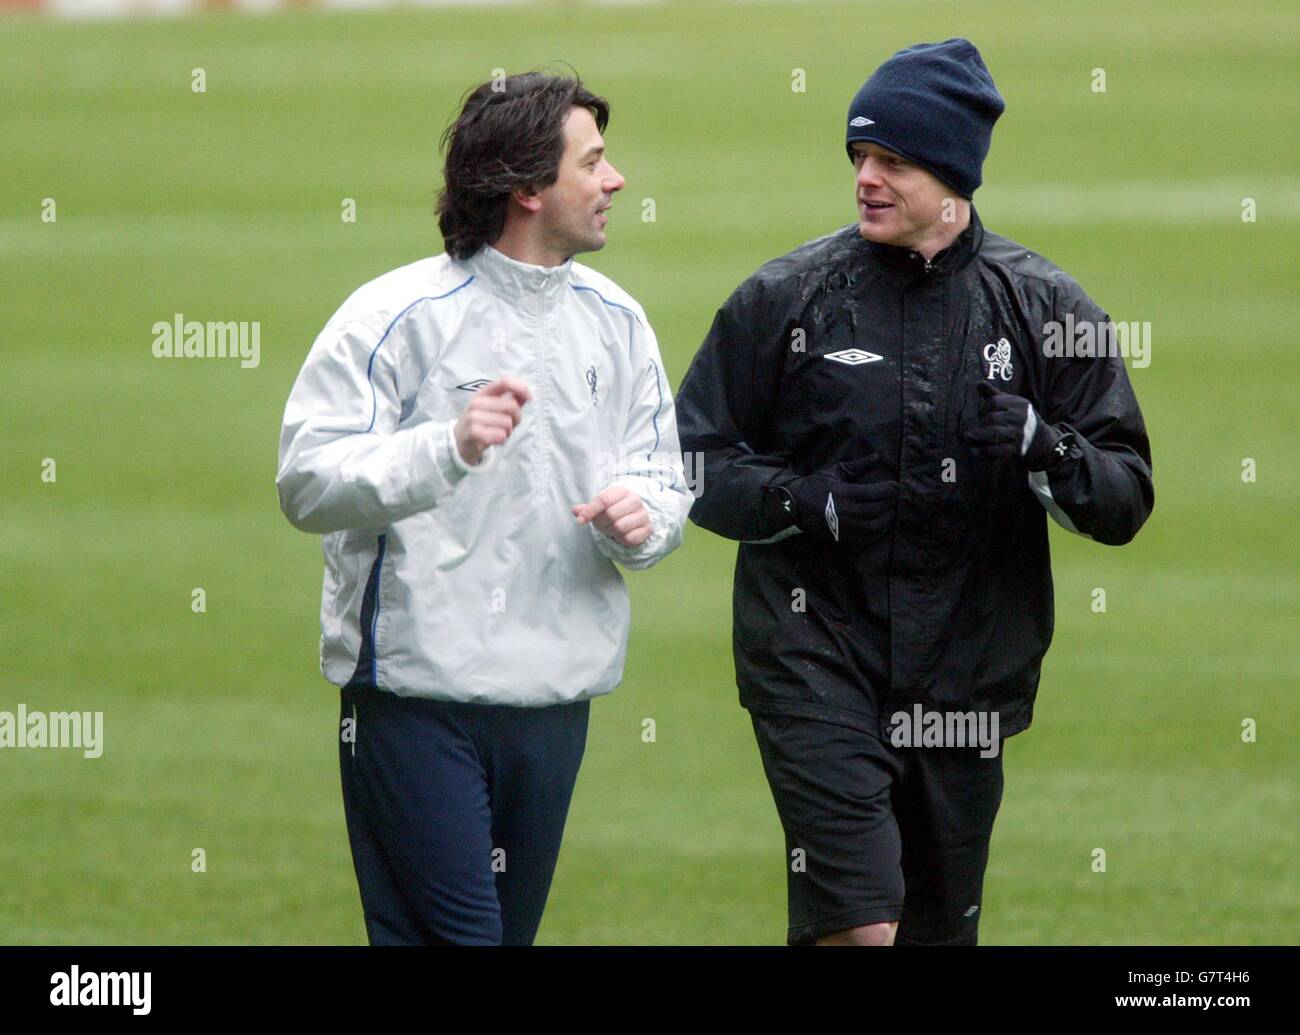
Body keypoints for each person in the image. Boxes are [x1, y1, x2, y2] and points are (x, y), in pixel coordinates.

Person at [675, 38, 1153, 946]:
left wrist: (1045, 447)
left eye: (892, 160)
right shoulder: (783, 299)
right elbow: (691, 460)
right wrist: (795, 501)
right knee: (864, 927)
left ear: (952, 174)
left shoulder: (1047, 306)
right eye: (858, 157)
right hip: (813, 660)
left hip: (971, 676)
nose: (865, 177)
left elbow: (1126, 493)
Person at [275, 72, 692, 945]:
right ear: (528, 189)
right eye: (595, 161)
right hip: (416, 703)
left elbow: (664, 477)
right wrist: (448, 447)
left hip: (555, 707)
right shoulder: (396, 316)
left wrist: (644, 519)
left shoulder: (618, 322)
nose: (617, 181)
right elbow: (307, 481)